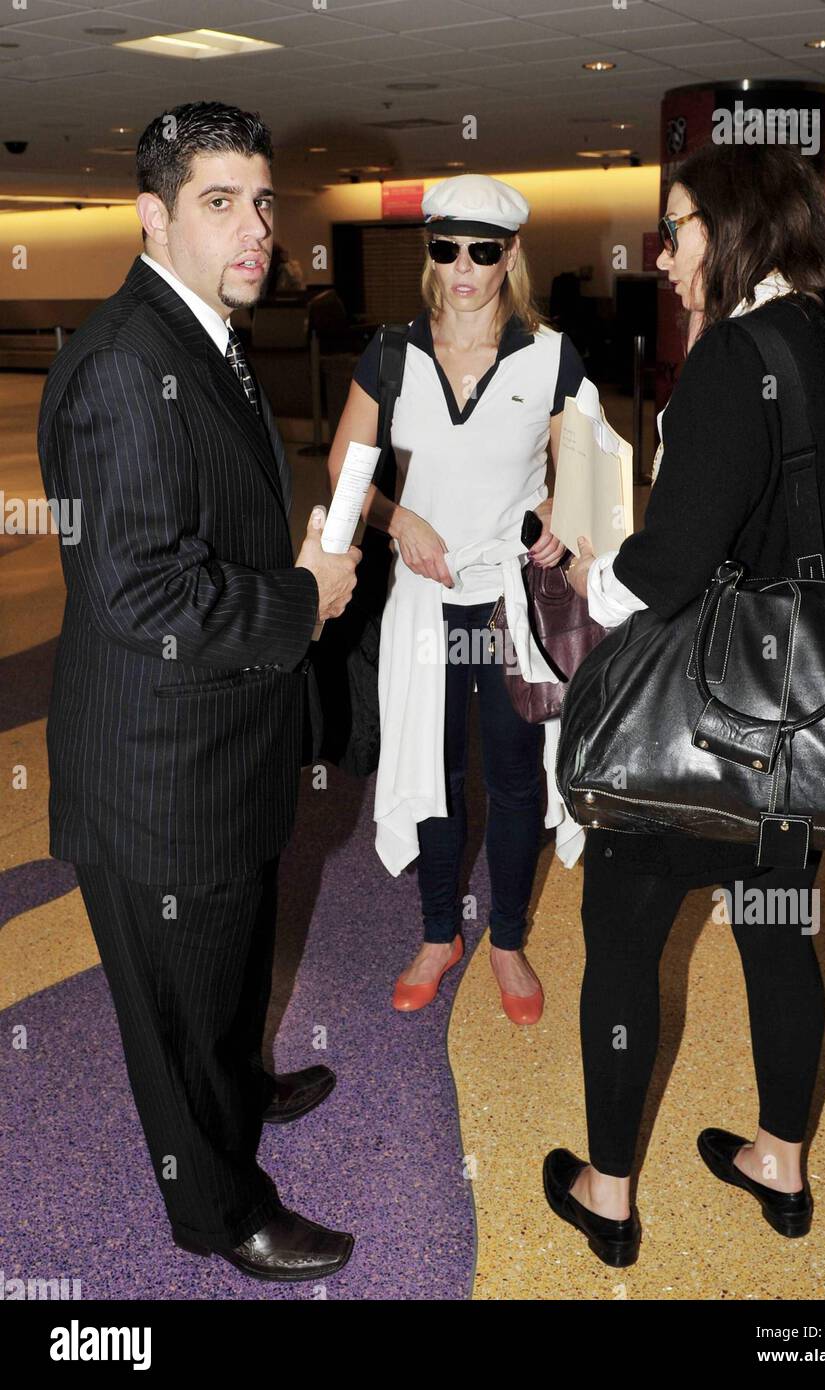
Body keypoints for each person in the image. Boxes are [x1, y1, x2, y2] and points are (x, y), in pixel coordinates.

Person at [544, 144, 825, 1266]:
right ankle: (781, 1164)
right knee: (780, 935)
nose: (666, 248)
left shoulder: (735, 352)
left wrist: (585, 575)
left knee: (621, 943)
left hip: (702, 728)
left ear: (738, 225)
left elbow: (673, 563)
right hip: (809, 722)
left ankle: (608, 1190)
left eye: (682, 224)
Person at [37, 102, 360, 1283]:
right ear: (152, 216)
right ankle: (217, 1206)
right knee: (178, 1011)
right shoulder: (126, 365)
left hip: (215, 743)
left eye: (263, 202)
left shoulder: (199, 333)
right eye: (221, 203)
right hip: (160, 773)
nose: (257, 228)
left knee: (225, 969)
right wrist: (303, 596)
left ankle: (239, 1080)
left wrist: (293, 569)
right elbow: (139, 594)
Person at [326, 174, 586, 1024]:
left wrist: (557, 512)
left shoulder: (550, 354)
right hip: (424, 603)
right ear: (430, 255)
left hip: (510, 602)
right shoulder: (390, 353)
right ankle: (440, 934)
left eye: (484, 250)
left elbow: (585, 470)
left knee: (512, 777)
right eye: (447, 248)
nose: (465, 267)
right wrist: (398, 519)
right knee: (430, 775)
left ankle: (506, 940)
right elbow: (344, 470)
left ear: (510, 255)